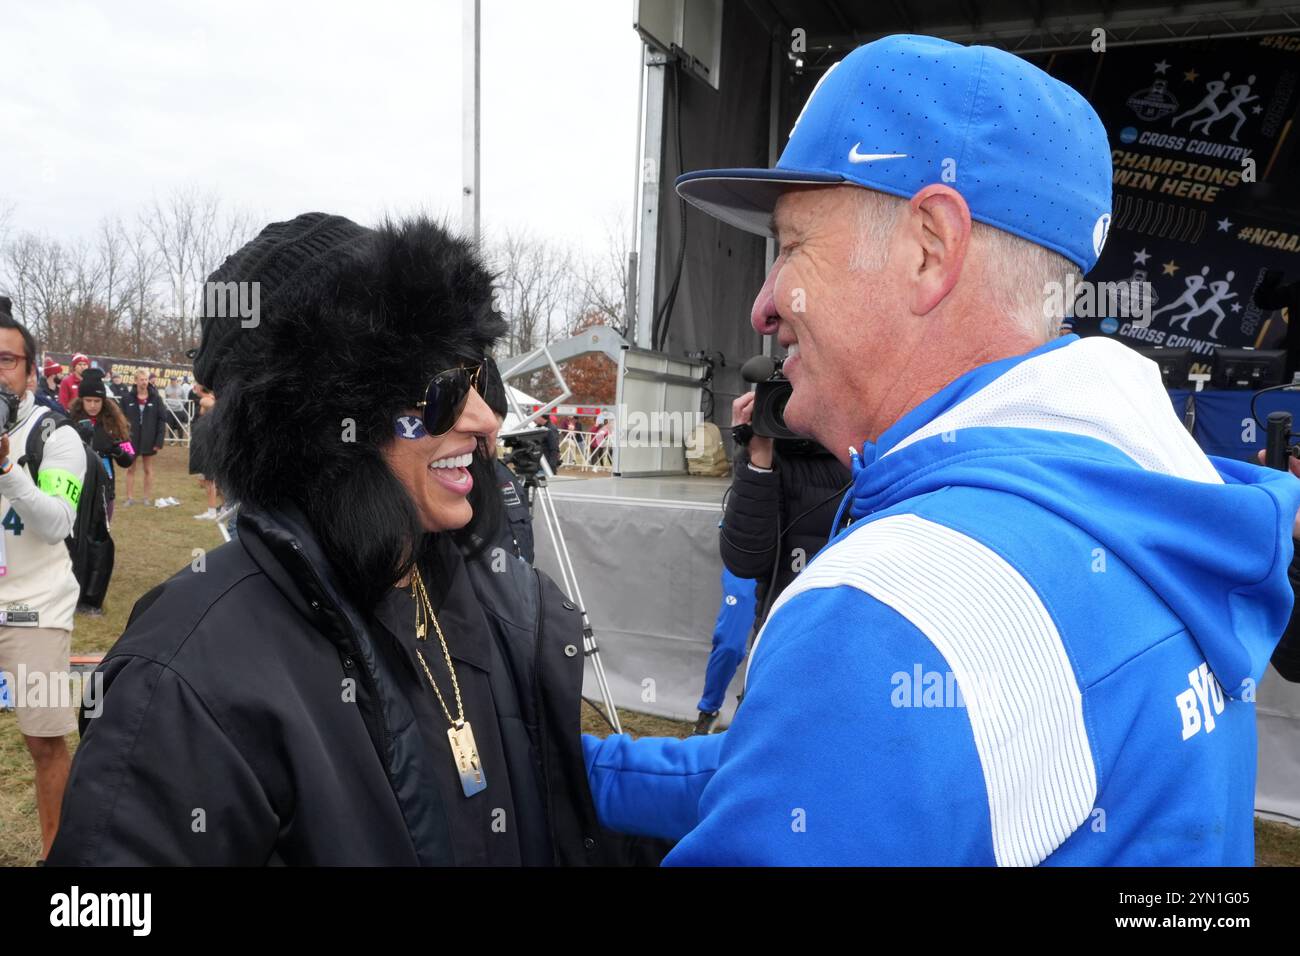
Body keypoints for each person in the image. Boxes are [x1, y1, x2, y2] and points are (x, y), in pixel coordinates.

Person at [580, 34, 1300, 865]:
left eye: (790, 249)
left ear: (930, 247)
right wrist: (577, 766)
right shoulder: (1147, 493)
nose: (763, 307)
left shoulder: (899, 605)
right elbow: (829, 774)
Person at [48, 213, 645, 866]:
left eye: (478, 376)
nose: (483, 419)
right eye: (439, 391)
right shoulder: (185, 679)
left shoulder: (492, 589)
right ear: (325, 424)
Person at [0, 300, 82, 860]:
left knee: (44, 740)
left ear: (32, 370)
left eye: (5, 359)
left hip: (35, 608)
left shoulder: (57, 434)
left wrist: (8, 470)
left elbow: (57, 523)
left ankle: (59, 858)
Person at [722, 391, 850, 631]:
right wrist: (758, 458)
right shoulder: (768, 459)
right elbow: (745, 561)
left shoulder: (864, 456)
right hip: (782, 631)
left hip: (850, 630)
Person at [478, 357, 535, 563]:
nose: (482, 434)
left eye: (492, 420)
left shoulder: (507, 479)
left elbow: (524, 544)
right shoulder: (451, 486)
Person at [692, 568, 758, 735]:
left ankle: (755, 714)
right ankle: (709, 711)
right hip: (752, 555)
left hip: (800, 558)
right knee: (730, 644)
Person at [66, 369, 135, 525]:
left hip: (105, 489)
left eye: (97, 401)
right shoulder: (70, 421)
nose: (92, 405)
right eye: (88, 400)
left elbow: (129, 458)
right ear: (81, 400)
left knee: (101, 537)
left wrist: (116, 449)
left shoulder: (114, 423)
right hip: (76, 487)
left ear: (104, 401)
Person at [122, 369, 164, 505]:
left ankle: (146, 498)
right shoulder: (126, 398)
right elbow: (120, 421)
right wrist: (122, 439)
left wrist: (159, 441)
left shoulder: (156, 398)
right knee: (130, 468)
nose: (144, 382)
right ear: (135, 381)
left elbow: (161, 420)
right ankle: (129, 498)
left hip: (149, 439)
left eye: (146, 379)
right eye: (141, 379)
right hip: (130, 439)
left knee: (148, 469)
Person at [189, 387, 222, 520]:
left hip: (210, 444)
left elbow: (209, 403)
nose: (194, 388)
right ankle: (221, 507)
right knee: (208, 480)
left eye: (196, 386)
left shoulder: (207, 400)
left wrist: (210, 398)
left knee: (210, 479)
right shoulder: (205, 401)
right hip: (204, 443)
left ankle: (212, 510)